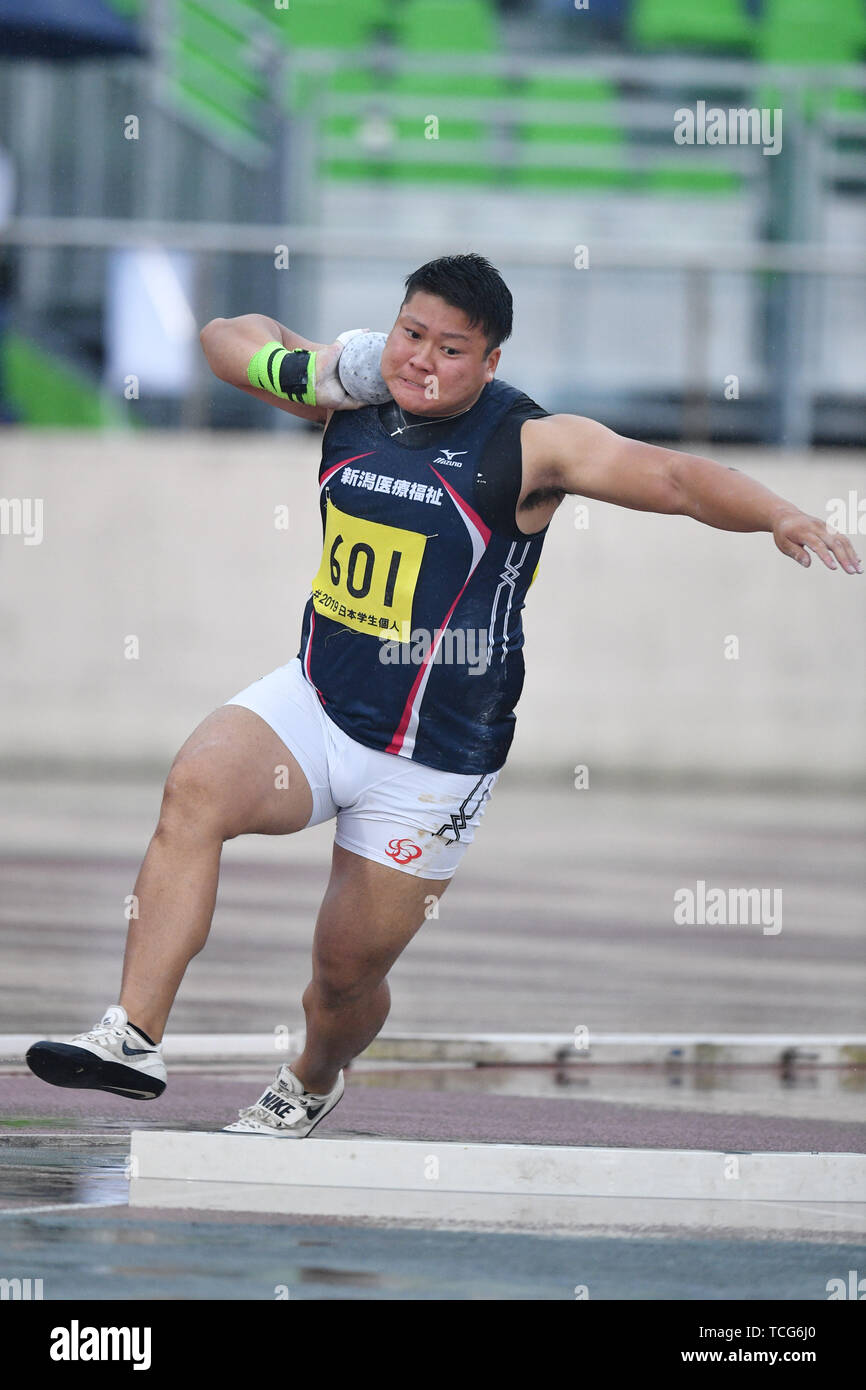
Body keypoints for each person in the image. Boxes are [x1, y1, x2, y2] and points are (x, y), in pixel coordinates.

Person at [25, 253, 861, 1136]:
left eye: (450, 350)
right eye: (409, 334)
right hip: (316, 703)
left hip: (432, 765)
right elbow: (226, 341)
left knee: (343, 979)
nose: (421, 361)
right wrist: (319, 367)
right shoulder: (357, 390)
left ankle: (312, 1078)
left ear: (491, 363)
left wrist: (778, 513)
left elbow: (677, 478)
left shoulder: (529, 444)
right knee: (195, 785)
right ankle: (133, 1035)